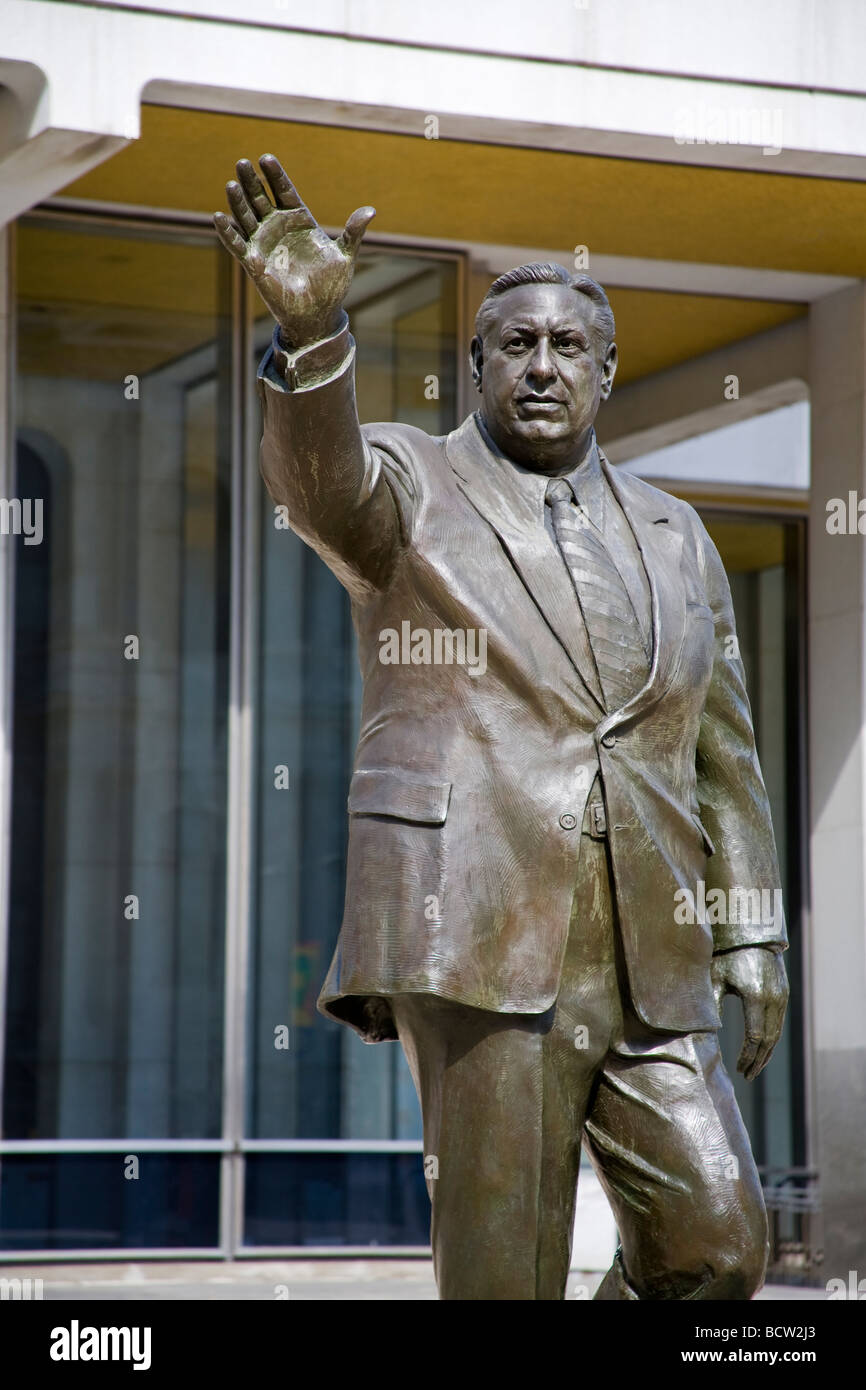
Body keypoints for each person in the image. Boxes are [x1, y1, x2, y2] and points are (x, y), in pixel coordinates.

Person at [214, 155, 789, 1301]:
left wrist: (751, 931)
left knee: (718, 1249)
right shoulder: (412, 483)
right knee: (501, 1274)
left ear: (605, 370)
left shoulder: (676, 535)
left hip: (649, 950)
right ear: (473, 365)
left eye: (565, 347)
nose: (539, 367)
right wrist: (316, 333)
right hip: (478, 930)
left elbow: (721, 749)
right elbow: (314, 489)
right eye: (512, 345)